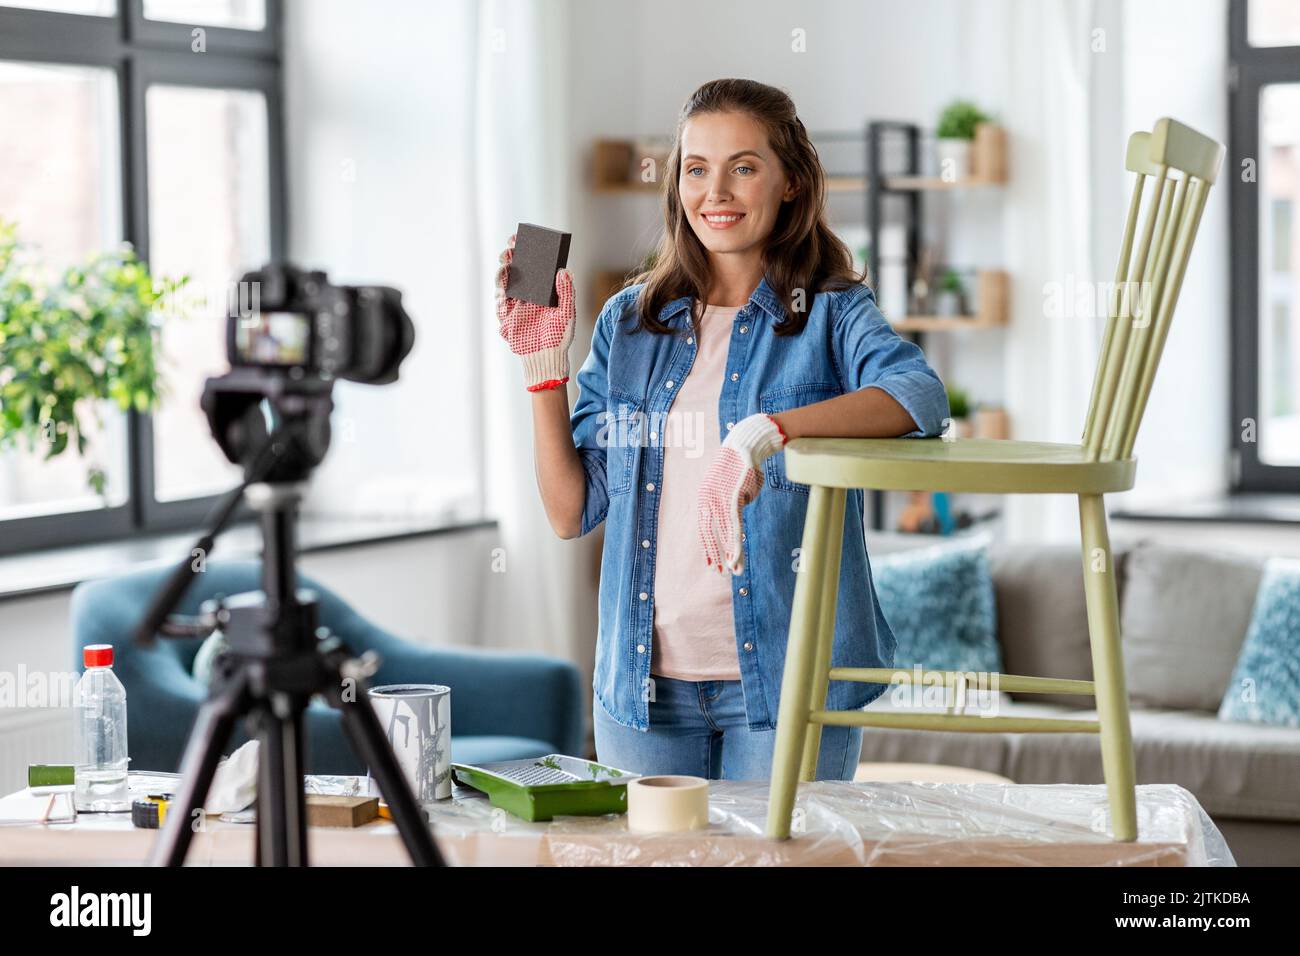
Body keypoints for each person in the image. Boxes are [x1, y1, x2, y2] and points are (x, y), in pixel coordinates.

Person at [494, 77, 949, 781]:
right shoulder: (630, 322)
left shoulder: (830, 311)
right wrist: (542, 364)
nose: (717, 192)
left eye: (744, 166)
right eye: (697, 169)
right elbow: (569, 509)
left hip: (787, 684)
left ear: (790, 181)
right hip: (643, 692)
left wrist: (763, 432)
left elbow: (918, 394)